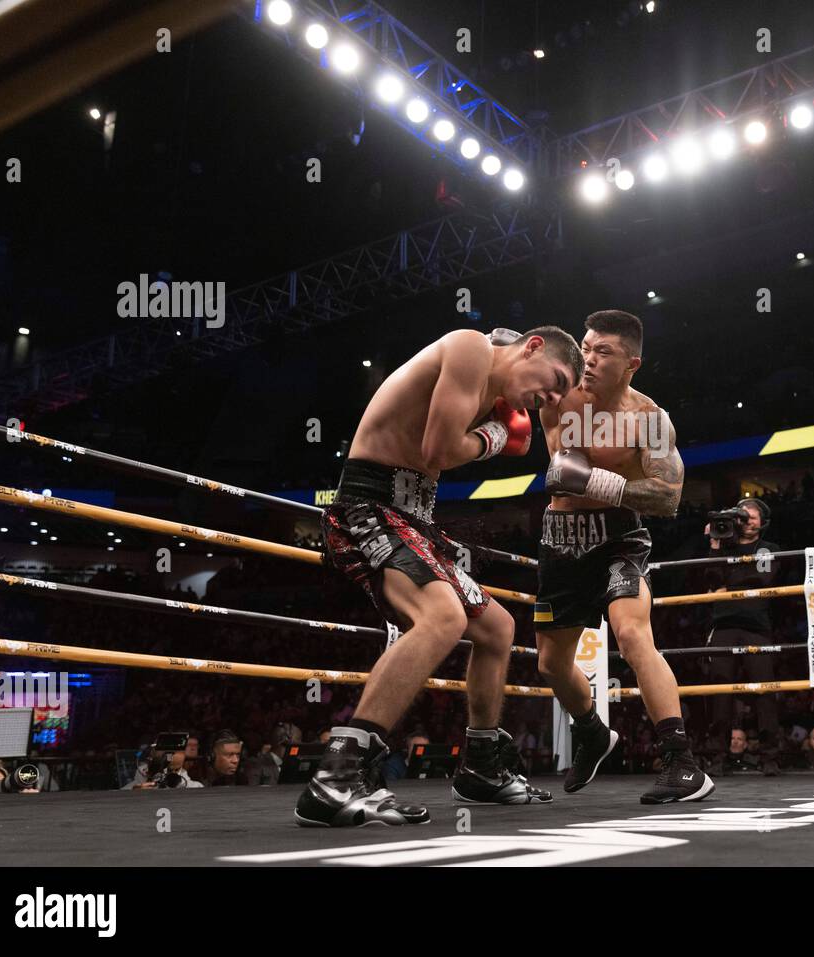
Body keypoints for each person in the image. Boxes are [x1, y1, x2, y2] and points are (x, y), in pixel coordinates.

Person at [296, 325, 583, 827]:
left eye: (560, 395)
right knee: (441, 618)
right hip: (371, 506)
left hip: (416, 520)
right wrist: (494, 438)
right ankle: (336, 778)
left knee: (497, 629)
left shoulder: (491, 393)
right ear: (532, 346)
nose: (551, 398)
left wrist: (495, 424)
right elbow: (438, 451)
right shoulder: (471, 347)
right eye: (555, 381)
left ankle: (482, 768)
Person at [535, 310, 714, 804]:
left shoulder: (649, 419)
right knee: (550, 665)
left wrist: (600, 482)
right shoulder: (558, 390)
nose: (588, 359)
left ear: (632, 362)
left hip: (619, 537)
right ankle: (593, 732)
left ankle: (683, 763)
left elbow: (668, 496)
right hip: (560, 536)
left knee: (633, 633)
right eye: (586, 347)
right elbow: (508, 371)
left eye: (603, 352)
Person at [701, 497, 782, 774]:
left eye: (752, 516)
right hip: (723, 625)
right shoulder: (724, 547)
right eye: (742, 515)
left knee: (764, 690)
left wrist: (727, 586)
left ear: (762, 522)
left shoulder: (768, 549)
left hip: (756, 627)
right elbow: (712, 579)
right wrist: (714, 543)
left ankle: (769, 756)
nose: (747, 519)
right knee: (720, 691)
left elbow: (762, 579)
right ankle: (718, 757)